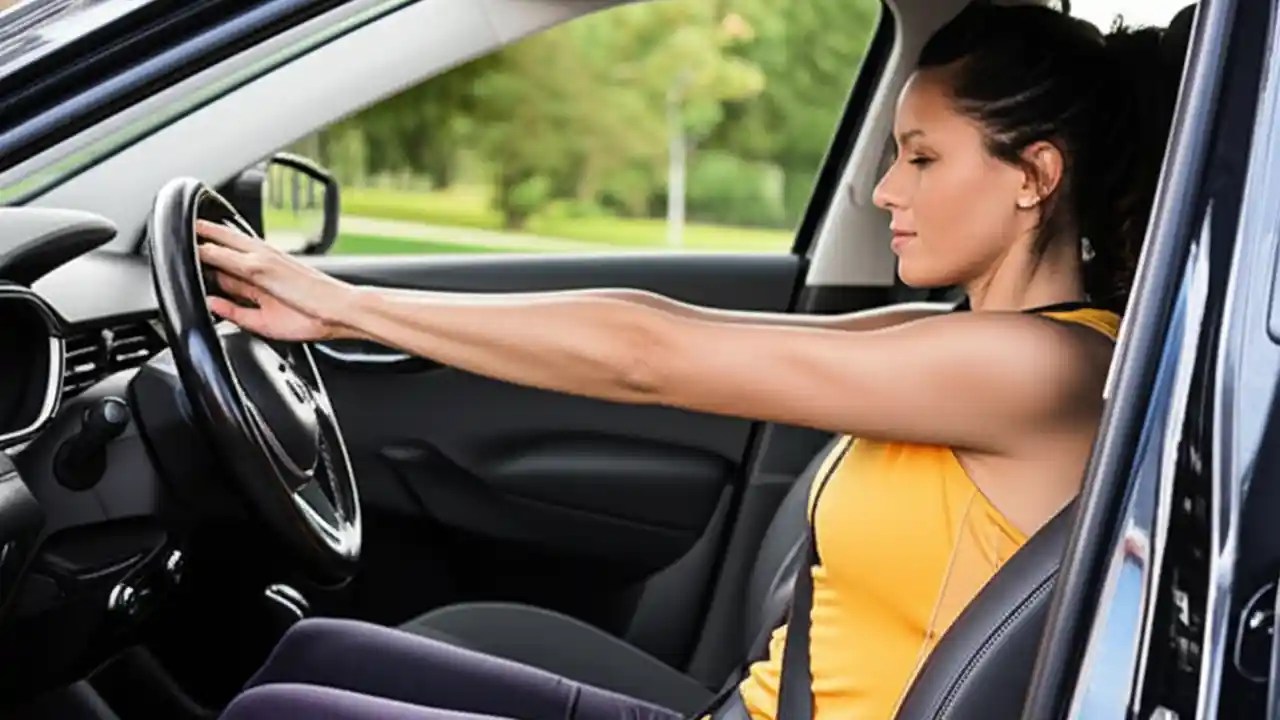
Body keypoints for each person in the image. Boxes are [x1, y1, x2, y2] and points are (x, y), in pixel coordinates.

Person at [211, 3, 1180, 719]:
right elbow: (669, 330)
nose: (885, 189)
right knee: (310, 648)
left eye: (920, 158)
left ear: (1034, 177)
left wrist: (342, 306)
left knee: (275, 714)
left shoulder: (1038, 371)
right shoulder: (951, 342)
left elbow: (649, 355)